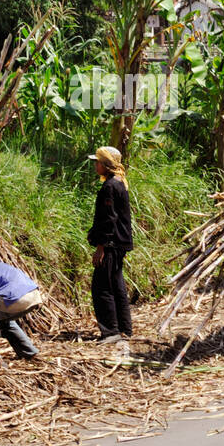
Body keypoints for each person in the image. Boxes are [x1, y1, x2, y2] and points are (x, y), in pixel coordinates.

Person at [86, 145, 134, 348]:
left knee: (101, 287)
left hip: (111, 244)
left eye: (97, 162)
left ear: (106, 165)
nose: (95, 165)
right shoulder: (119, 183)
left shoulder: (109, 187)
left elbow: (108, 220)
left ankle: (111, 331)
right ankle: (125, 328)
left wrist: (100, 248)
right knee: (117, 285)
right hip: (119, 243)